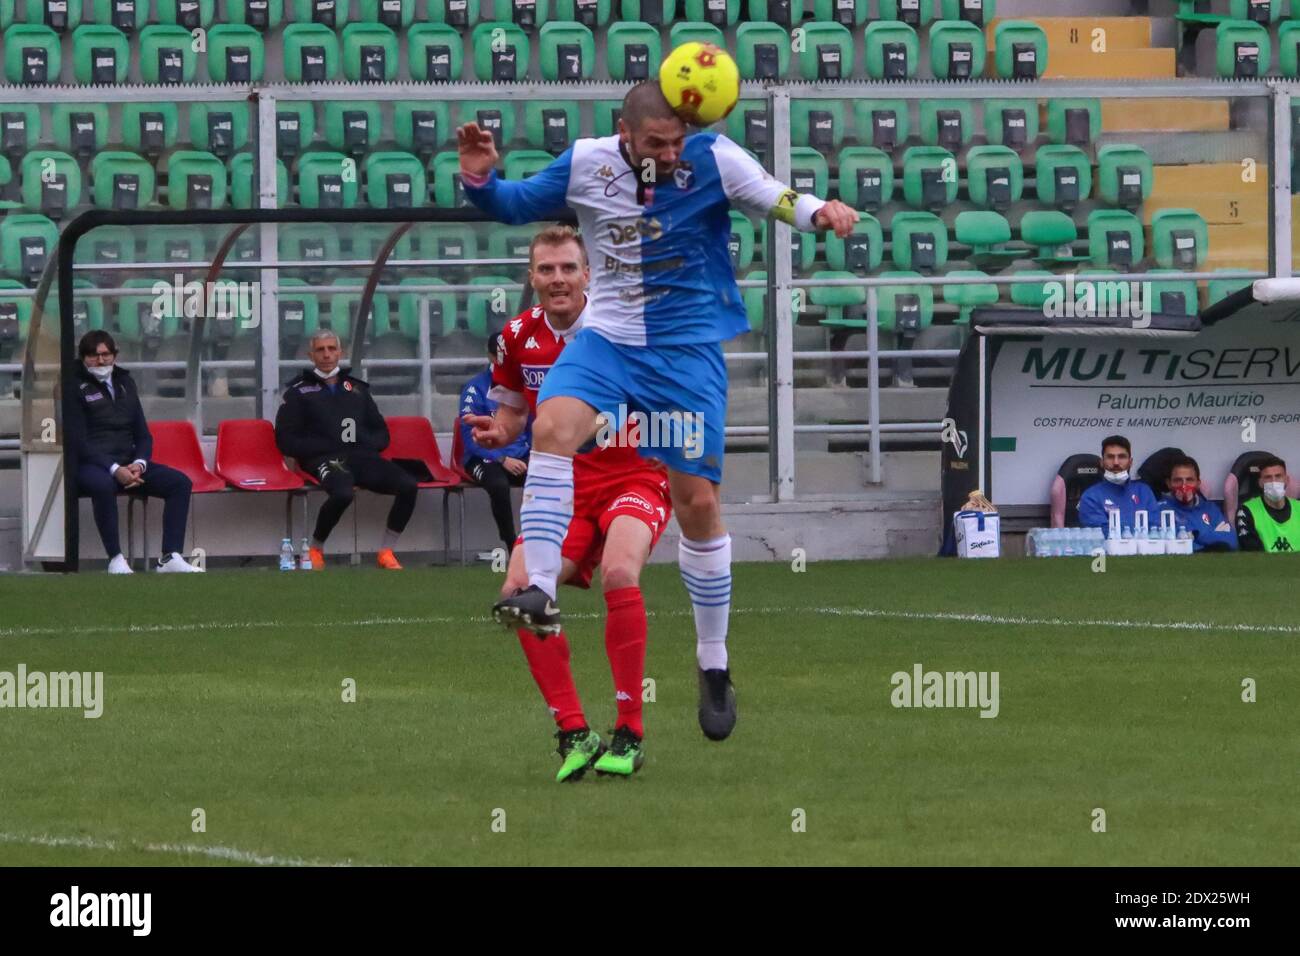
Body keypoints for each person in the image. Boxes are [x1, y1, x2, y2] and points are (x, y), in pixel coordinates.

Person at [458, 81, 859, 741]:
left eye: (676, 143)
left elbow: (777, 197)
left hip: (685, 351)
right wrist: (478, 177)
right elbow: (513, 202)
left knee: (697, 503)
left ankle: (713, 661)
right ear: (625, 132)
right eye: (655, 144)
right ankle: (541, 592)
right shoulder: (587, 161)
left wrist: (821, 213)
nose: (669, 155)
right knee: (553, 427)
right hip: (610, 340)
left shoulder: (716, 158)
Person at [464, 225, 672, 779]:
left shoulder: (624, 327)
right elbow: (512, 411)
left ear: (588, 274)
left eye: (568, 269)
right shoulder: (515, 338)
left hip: (633, 475)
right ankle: (574, 731)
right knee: (517, 592)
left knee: (621, 573)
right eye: (546, 269)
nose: (558, 279)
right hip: (563, 491)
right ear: (531, 276)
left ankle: (629, 731)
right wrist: (498, 431)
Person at [274, 330, 417, 570]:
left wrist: (364, 442)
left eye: (332, 349)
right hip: (325, 459)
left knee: (408, 485)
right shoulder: (298, 393)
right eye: (321, 350)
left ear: (341, 353)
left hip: (361, 457)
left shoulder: (358, 390)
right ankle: (316, 549)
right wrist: (324, 446)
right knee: (343, 493)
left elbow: (382, 434)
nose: (327, 355)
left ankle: (386, 551)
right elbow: (286, 441)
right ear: (311, 355)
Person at [74, 330, 203, 574]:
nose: (100, 361)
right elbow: (79, 442)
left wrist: (140, 463)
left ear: (115, 355)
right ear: (83, 358)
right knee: (102, 485)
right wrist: (114, 469)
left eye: (105, 355)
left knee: (179, 483)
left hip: (128, 461)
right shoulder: (73, 387)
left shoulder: (126, 383)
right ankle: (115, 558)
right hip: (93, 465)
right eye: (93, 356)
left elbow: (143, 434)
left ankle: (170, 557)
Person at [458, 334, 531, 555]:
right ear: (490, 355)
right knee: (498, 485)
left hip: (520, 454)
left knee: (549, 479)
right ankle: (511, 546)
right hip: (484, 458)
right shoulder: (475, 388)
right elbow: (469, 435)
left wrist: (533, 454)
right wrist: (502, 458)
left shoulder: (524, 385)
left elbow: (534, 426)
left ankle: (544, 543)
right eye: (500, 355)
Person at [1077, 435, 1160, 533]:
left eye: (1122, 457)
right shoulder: (1090, 496)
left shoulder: (1144, 491)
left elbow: (1155, 530)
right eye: (1110, 457)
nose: (1116, 462)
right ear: (1102, 462)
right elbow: (1102, 535)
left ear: (1130, 462)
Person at [1156, 455, 1236, 552]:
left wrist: (1195, 535)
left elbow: (1232, 541)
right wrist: (1213, 535)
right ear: (1169, 483)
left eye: (1189, 480)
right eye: (1178, 480)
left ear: (1198, 483)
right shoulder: (1161, 509)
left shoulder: (1211, 509)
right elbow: (1177, 546)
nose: (1184, 486)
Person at [1236, 456, 1300, 553]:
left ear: (1287, 480)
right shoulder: (1246, 511)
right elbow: (1253, 555)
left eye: (1278, 476)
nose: (1274, 482)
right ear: (1260, 483)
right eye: (1268, 477)